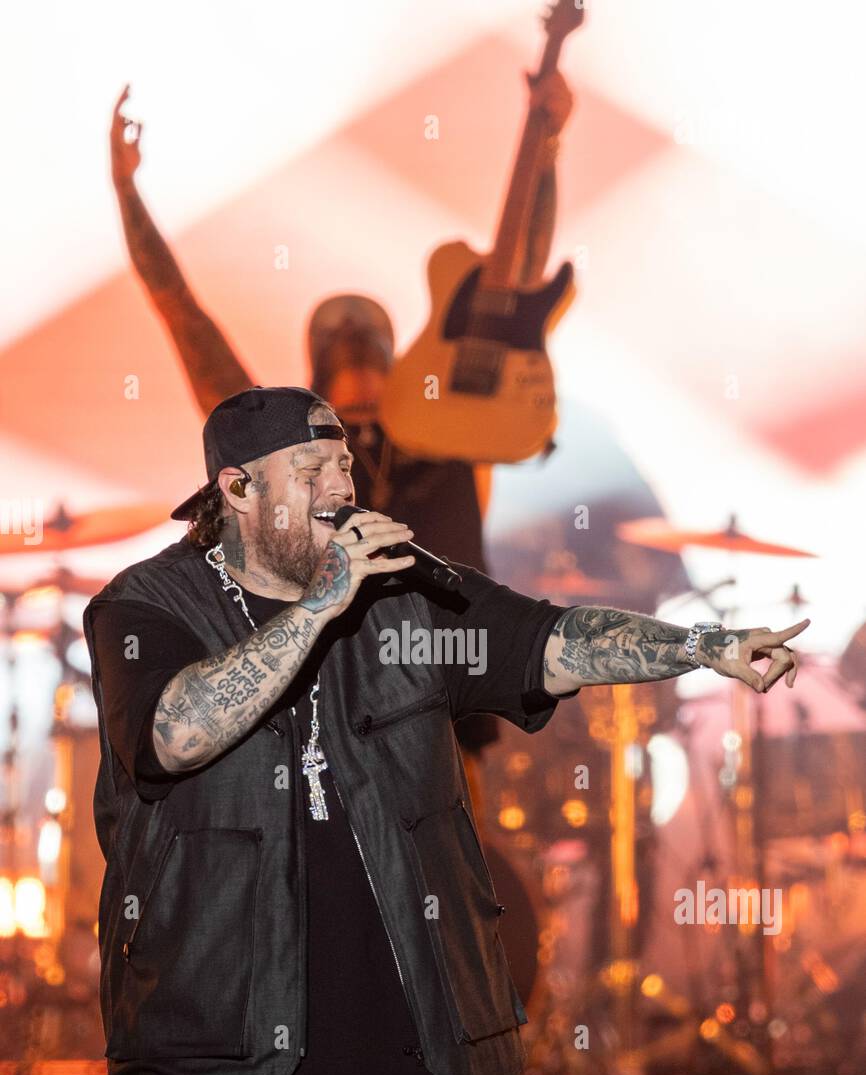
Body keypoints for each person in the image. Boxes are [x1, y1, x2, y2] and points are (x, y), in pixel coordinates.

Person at [83, 385, 807, 1075]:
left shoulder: (409, 603)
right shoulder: (144, 607)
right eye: (308, 471)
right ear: (235, 488)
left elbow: (553, 642)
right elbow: (174, 733)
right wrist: (317, 607)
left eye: (342, 465)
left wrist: (707, 644)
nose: (337, 486)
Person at [108, 75, 575, 809]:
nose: (352, 339)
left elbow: (515, 284)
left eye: (364, 331)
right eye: (336, 332)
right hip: (317, 701)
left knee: (443, 887)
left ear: (398, 353)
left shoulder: (446, 422)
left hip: (434, 693)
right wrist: (128, 197)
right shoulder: (282, 441)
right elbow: (184, 317)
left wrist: (544, 145)